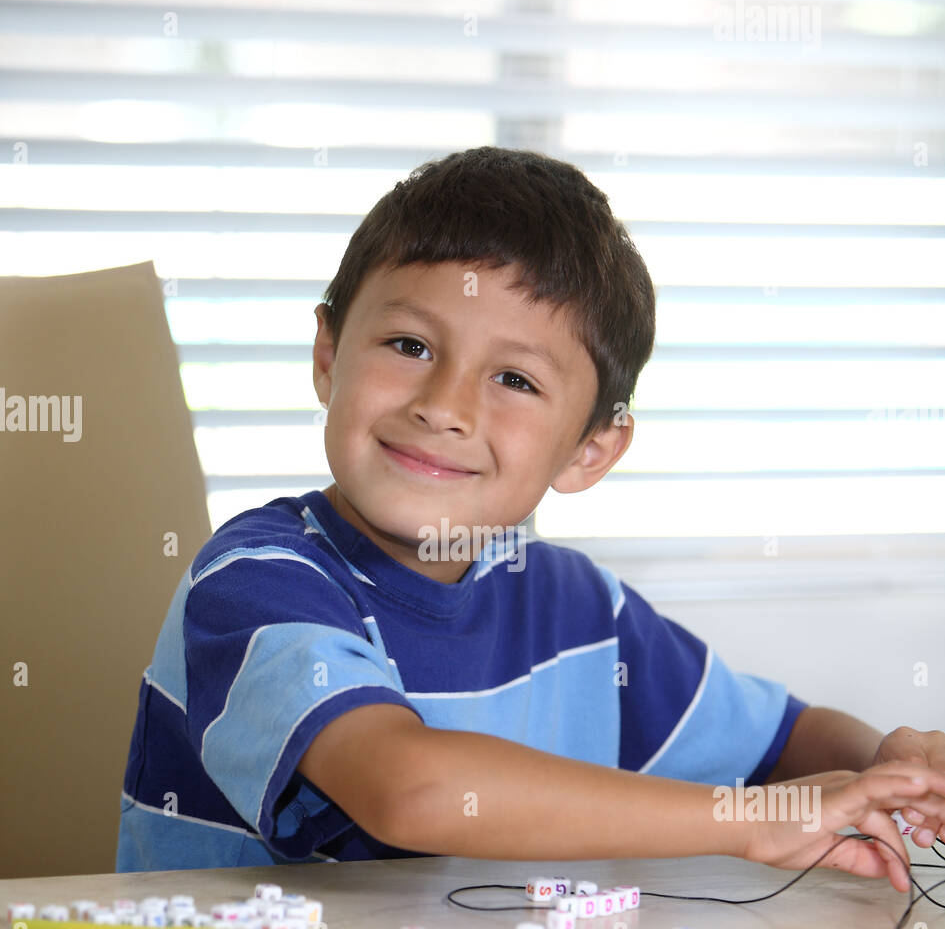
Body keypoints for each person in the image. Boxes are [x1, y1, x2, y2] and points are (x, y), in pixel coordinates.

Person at [117, 146, 945, 881]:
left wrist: (888, 765)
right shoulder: (258, 580)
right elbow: (411, 789)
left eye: (513, 380)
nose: (445, 407)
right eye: (409, 346)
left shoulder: (579, 609)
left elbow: (782, 742)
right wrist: (749, 826)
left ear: (588, 450)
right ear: (328, 357)